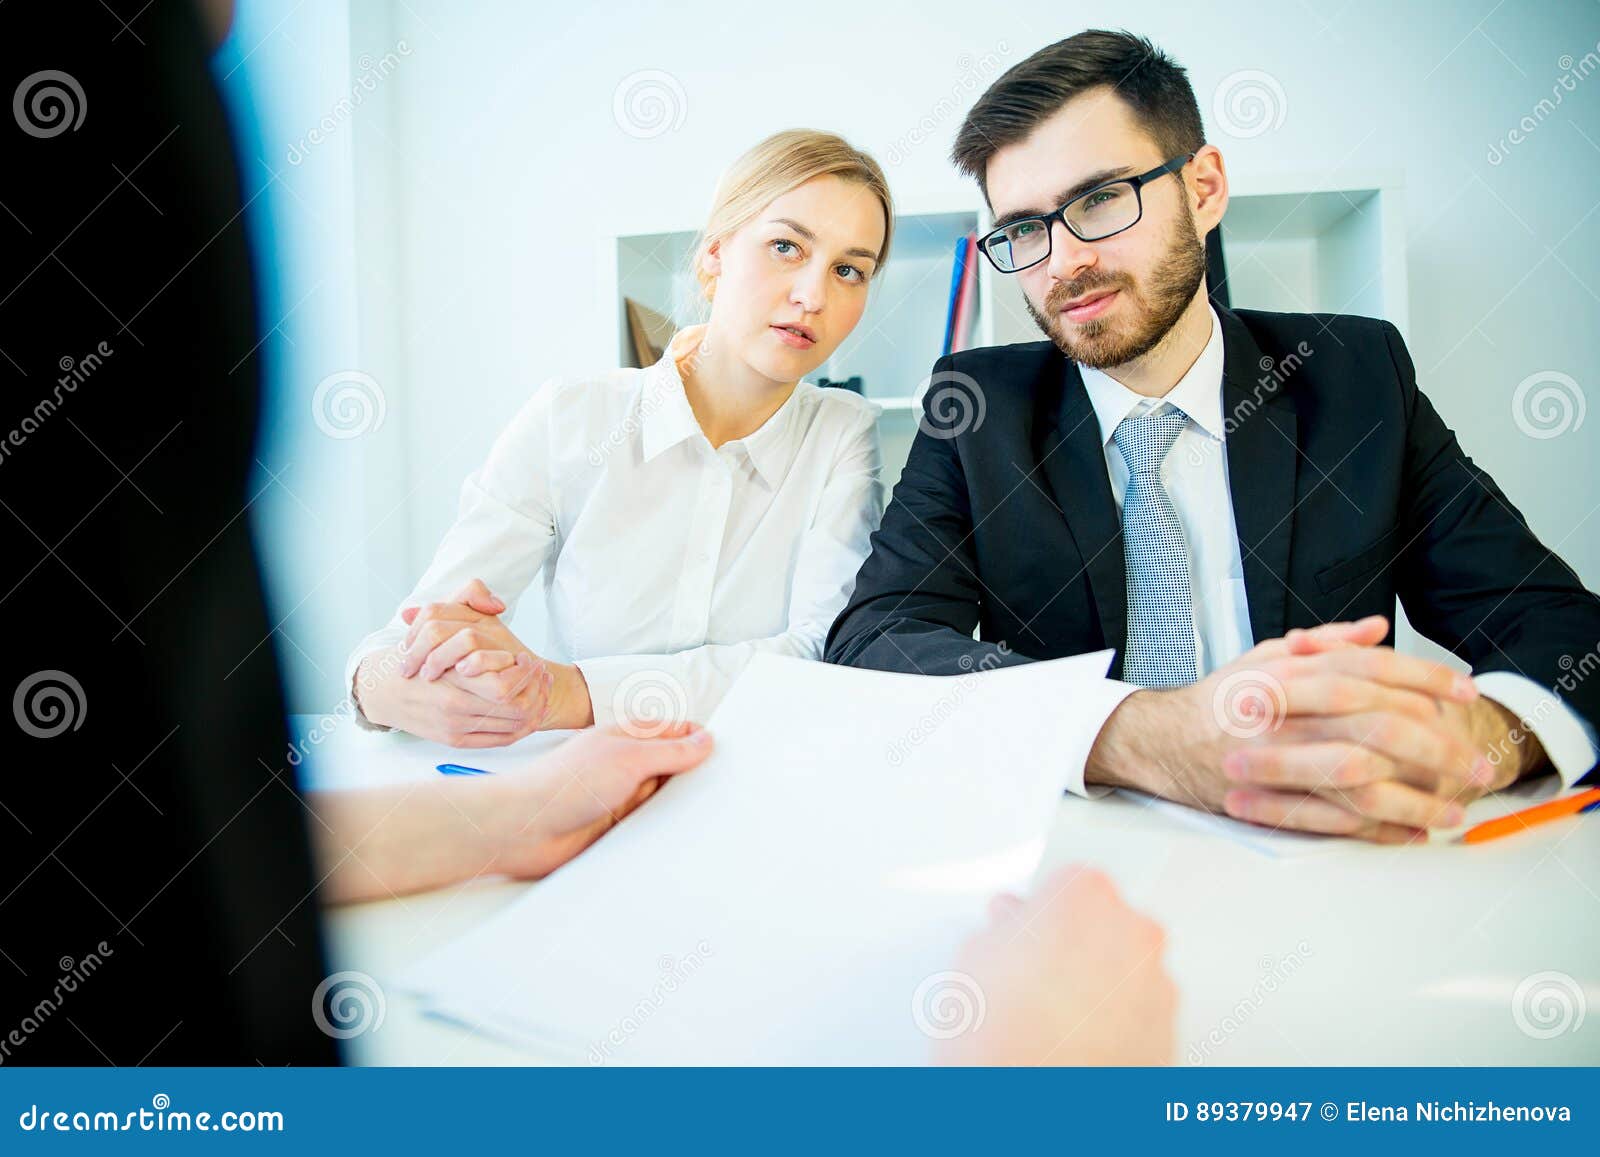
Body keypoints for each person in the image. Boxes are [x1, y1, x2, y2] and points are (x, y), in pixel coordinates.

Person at [825, 29, 1600, 843]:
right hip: (1079, 868)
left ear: (1204, 188)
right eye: (1024, 228)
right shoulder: (977, 405)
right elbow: (880, 642)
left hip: (1326, 859)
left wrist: (1478, 741)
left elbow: (1560, 628)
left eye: (1098, 200)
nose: (1062, 264)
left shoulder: (1357, 376)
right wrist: (1144, 736)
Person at [347, 131, 892, 746]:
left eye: (850, 270)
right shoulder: (571, 418)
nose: (813, 296)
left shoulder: (843, 432)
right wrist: (399, 684)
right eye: (786, 247)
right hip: (574, 793)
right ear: (714, 256)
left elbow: (820, 654)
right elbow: (404, 639)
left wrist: (563, 692)